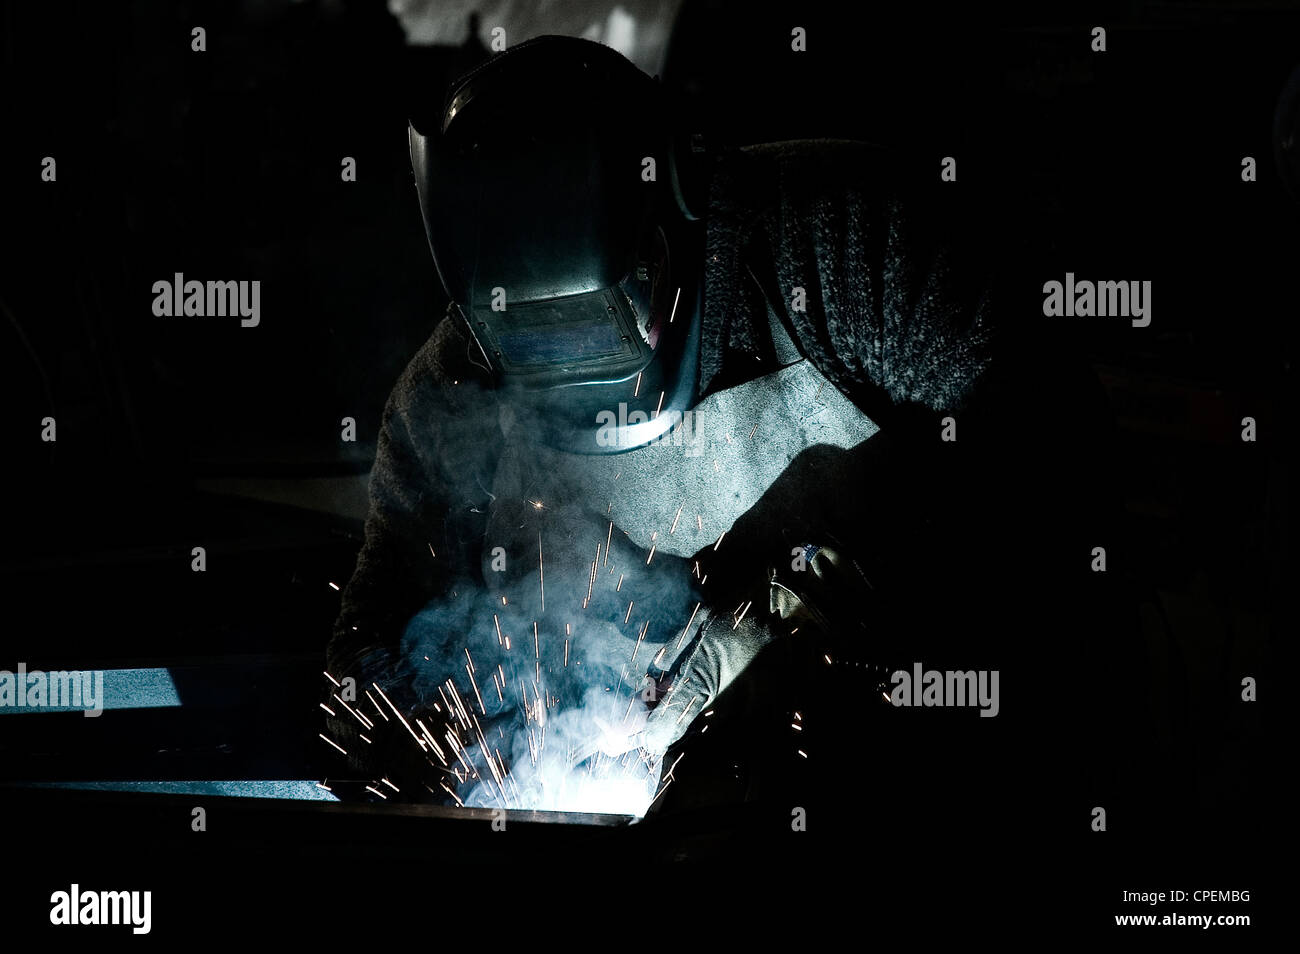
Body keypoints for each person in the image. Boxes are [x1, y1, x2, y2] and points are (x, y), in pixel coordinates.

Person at [320, 35, 1090, 813]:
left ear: (675, 210)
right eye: (526, 340)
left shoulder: (859, 240)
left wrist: (808, 642)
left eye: (606, 318)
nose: (573, 365)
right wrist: (469, 735)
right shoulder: (452, 391)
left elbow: (1053, 505)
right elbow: (364, 675)